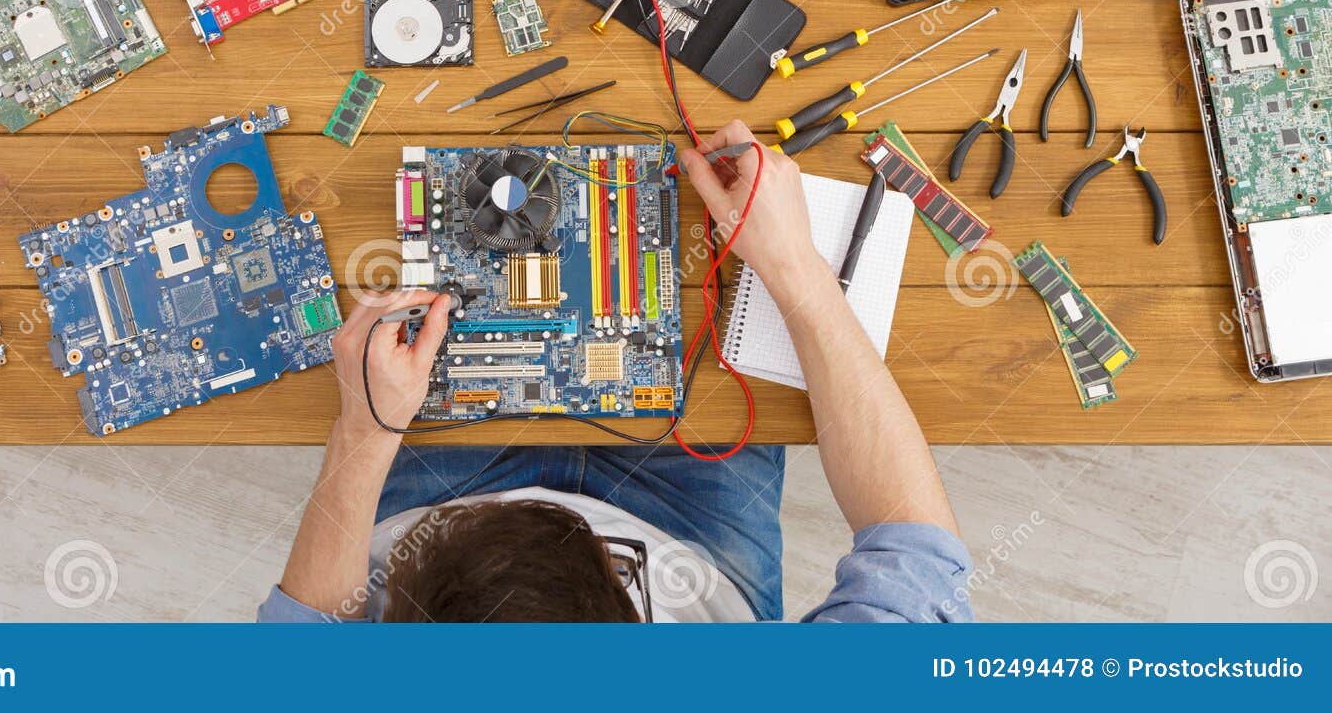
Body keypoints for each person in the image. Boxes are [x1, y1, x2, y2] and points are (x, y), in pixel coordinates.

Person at [261, 120, 971, 622]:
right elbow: (912, 540)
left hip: (431, 494)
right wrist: (796, 267)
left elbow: (304, 634)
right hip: (693, 548)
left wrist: (367, 425)